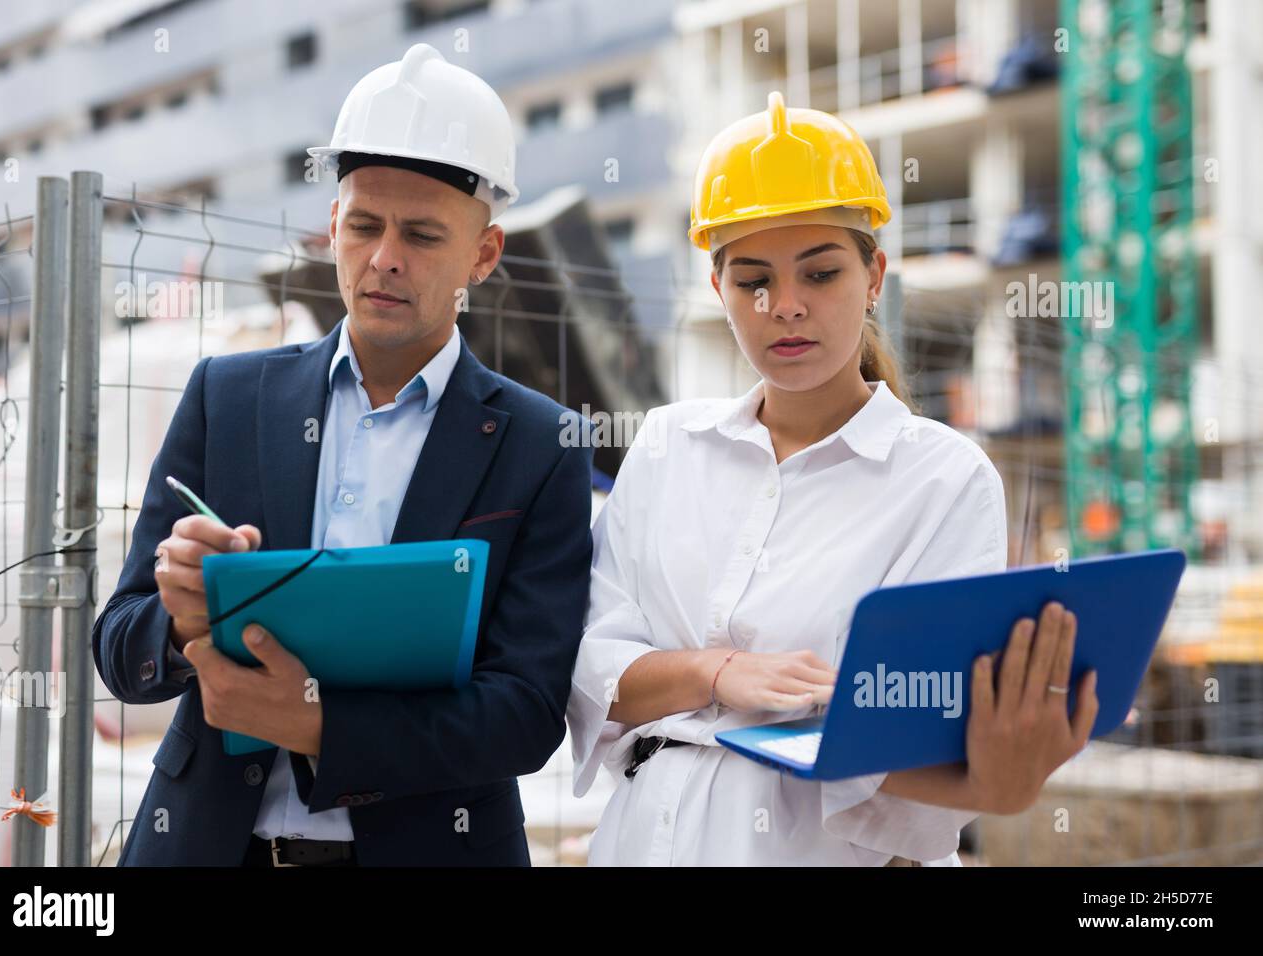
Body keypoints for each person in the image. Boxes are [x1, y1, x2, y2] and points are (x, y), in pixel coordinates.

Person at [565, 92, 1098, 866]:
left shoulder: (942, 481)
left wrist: (999, 780)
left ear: (874, 274)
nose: (785, 307)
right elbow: (591, 672)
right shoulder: (666, 446)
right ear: (719, 290)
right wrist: (722, 672)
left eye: (820, 273)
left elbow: (906, 744)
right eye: (753, 280)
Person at [92, 44, 593, 866]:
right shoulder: (228, 397)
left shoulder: (539, 445)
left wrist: (318, 726)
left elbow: (527, 712)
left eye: (424, 235)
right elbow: (120, 649)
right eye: (364, 225)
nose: (385, 258)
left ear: (485, 254)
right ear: (332, 229)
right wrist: (179, 619)